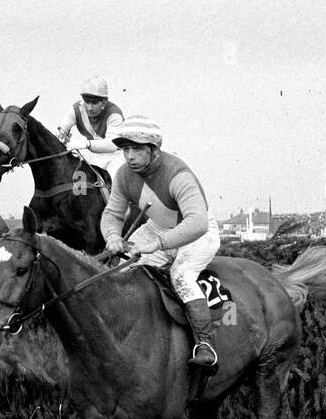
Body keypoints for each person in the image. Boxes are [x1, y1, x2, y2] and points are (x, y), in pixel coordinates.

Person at [100, 115, 222, 369]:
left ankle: (205, 344)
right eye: (125, 149)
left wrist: (159, 243)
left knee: (181, 275)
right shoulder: (123, 175)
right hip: (158, 228)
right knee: (121, 269)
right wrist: (112, 236)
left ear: (153, 150)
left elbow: (197, 223)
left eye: (136, 149)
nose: (129, 156)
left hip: (197, 233)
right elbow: (112, 214)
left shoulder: (177, 174)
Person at [55, 76, 125, 173]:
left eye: (94, 103)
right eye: (87, 102)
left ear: (104, 101)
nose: (89, 108)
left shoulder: (114, 115)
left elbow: (112, 145)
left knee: (116, 174)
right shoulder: (76, 110)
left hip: (113, 156)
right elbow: (60, 130)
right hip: (92, 154)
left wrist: (87, 144)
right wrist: (60, 136)